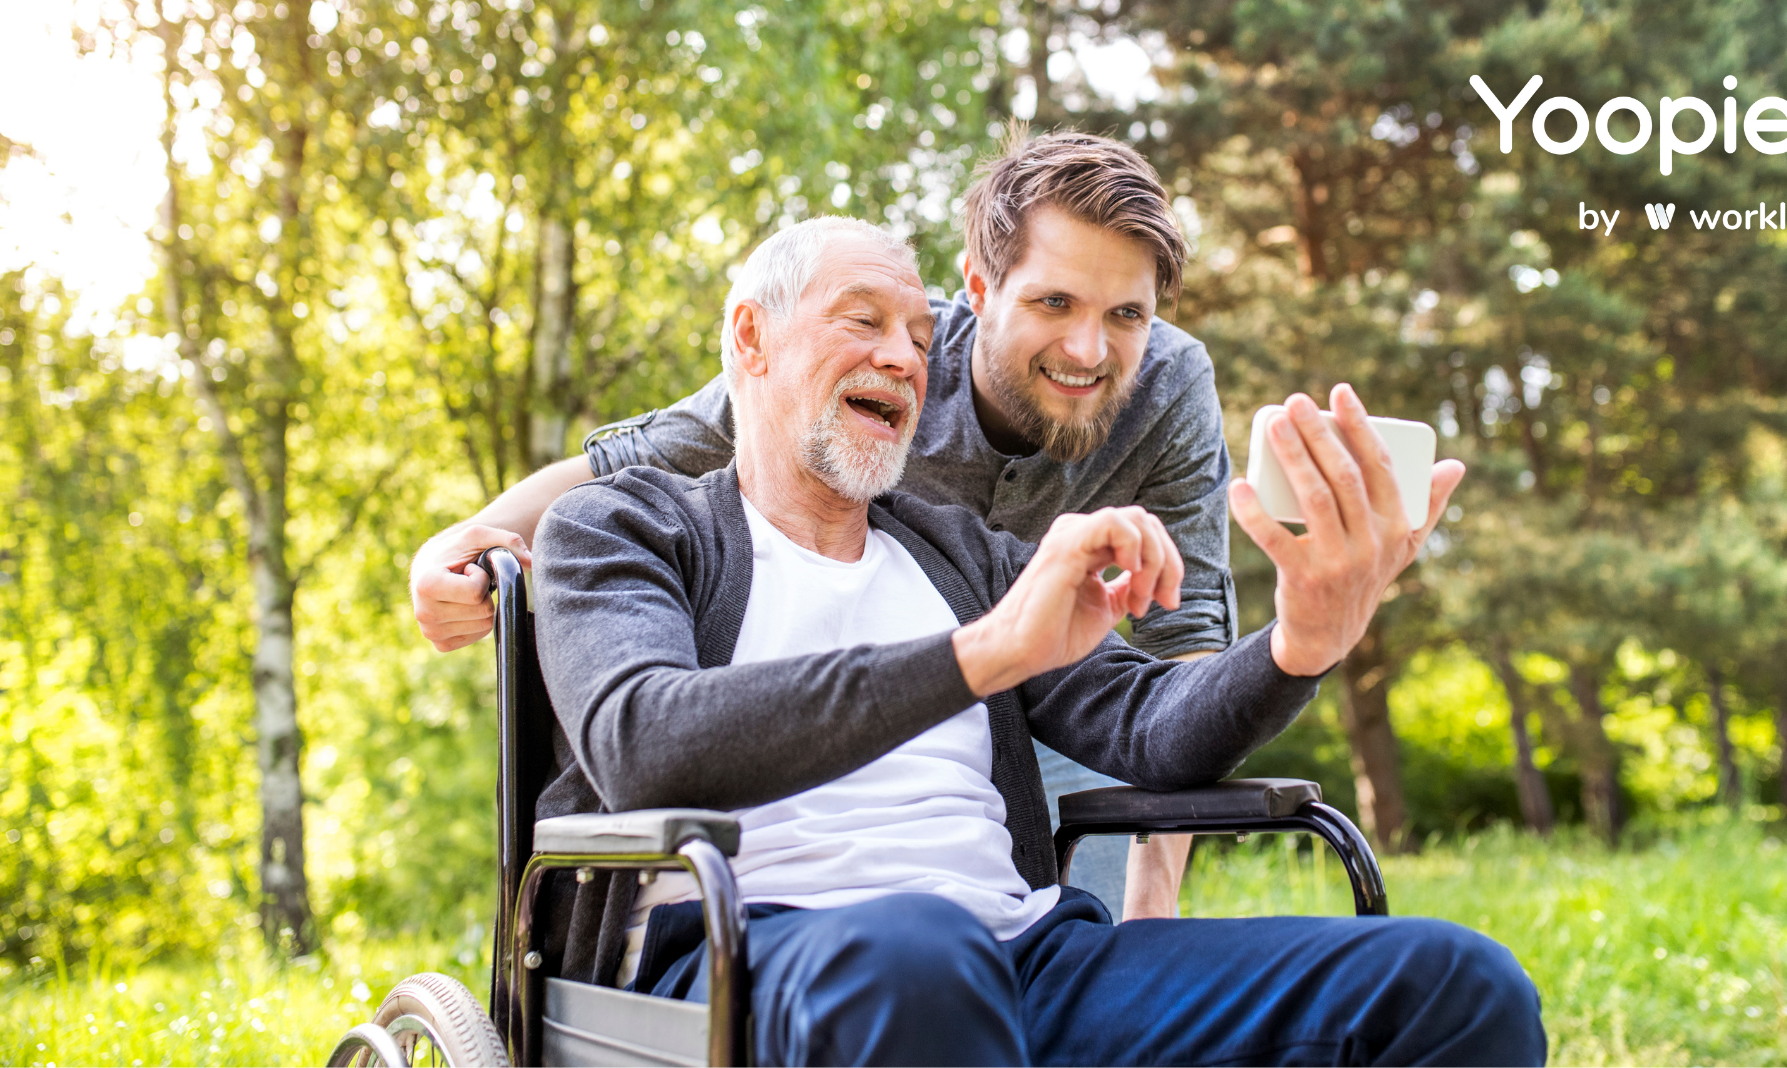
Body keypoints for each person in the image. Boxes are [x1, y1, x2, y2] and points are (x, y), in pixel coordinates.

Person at [528, 216, 1542, 1066]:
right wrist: (983, 656)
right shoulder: (626, 528)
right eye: (864, 321)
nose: (903, 357)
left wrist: (1302, 642)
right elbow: (644, 744)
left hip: (1023, 959)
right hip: (747, 966)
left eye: (922, 338)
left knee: (1455, 985)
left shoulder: (968, 557)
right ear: (751, 338)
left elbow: (1153, 731)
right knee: (920, 953)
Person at [412, 131, 1237, 919]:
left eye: (1127, 315)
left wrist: (1153, 901)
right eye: (1053, 301)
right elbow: (636, 455)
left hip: (1054, 691)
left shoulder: (1168, 387)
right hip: (857, 692)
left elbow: (1183, 634)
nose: (1089, 348)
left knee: (1078, 929)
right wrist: (466, 541)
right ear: (979, 294)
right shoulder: (883, 359)